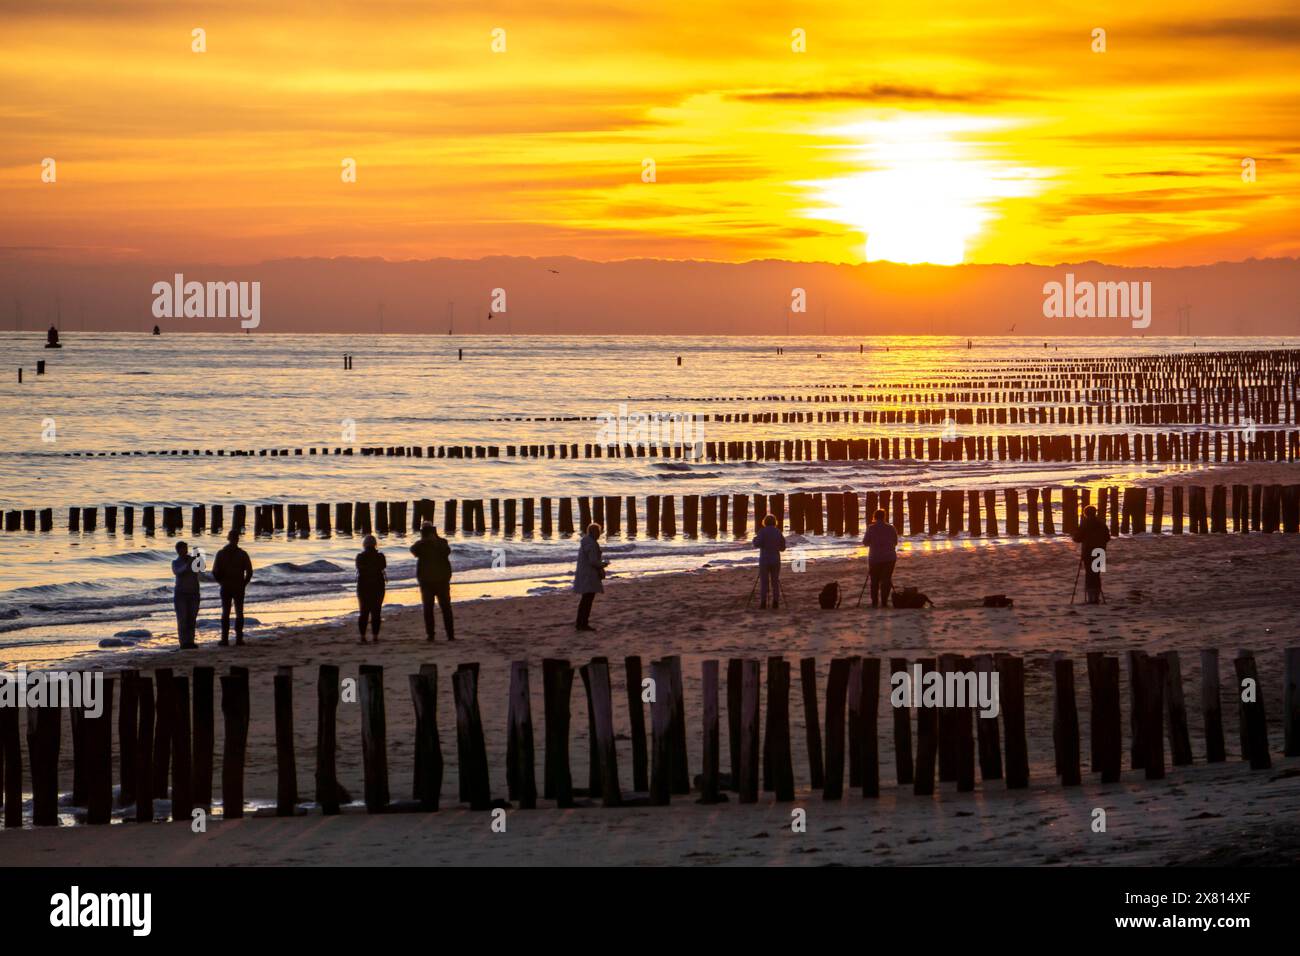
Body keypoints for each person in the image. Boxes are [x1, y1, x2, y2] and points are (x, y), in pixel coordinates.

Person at [410, 522, 455, 642]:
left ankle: (448, 634)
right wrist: (425, 540)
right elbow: (413, 550)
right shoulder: (424, 544)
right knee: (431, 609)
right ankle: (433, 635)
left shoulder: (441, 542)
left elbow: (447, 551)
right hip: (430, 582)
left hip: (438, 581)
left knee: (443, 608)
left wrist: (434, 540)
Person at [211, 530, 253, 646]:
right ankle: (239, 639)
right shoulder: (242, 554)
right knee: (239, 612)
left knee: (226, 612)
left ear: (228, 538)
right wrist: (244, 583)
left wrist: (221, 582)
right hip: (238, 585)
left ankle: (225, 639)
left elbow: (215, 571)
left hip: (226, 585)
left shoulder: (221, 553)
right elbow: (249, 572)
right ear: (237, 539)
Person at [1072, 504, 1111, 604]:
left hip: (1088, 551)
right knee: (1096, 573)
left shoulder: (1085, 524)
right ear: (1095, 513)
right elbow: (1107, 537)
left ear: (1085, 514)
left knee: (1089, 573)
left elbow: (1077, 538)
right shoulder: (1101, 523)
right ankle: (1096, 597)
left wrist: (1074, 535)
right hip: (1100, 550)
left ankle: (1091, 598)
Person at [573, 522, 608, 632]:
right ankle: (583, 624)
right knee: (587, 600)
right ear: (593, 532)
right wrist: (602, 564)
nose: (599, 534)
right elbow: (593, 561)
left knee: (585, 599)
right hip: (589, 575)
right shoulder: (591, 544)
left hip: (585, 573)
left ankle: (580, 623)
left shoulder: (586, 542)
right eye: (598, 532)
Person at [862, 509, 899, 608]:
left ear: (874, 517)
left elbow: (865, 542)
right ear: (884, 517)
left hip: (875, 558)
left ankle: (874, 602)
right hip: (889, 557)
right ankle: (884, 602)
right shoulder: (891, 528)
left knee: (874, 581)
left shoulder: (871, 528)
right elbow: (895, 542)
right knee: (886, 580)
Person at [355, 535, 386, 643]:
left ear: (364, 545)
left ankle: (363, 637)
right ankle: (375, 637)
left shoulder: (360, 557)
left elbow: (359, 568)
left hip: (363, 587)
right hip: (378, 586)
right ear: (375, 544)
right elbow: (383, 566)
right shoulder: (380, 556)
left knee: (364, 612)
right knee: (376, 612)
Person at [751, 513, 786, 609]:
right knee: (775, 581)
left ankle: (763, 603)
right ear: (775, 522)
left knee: (764, 582)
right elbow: (783, 548)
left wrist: (754, 540)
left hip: (764, 560)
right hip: (775, 559)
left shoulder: (762, 531)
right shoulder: (778, 532)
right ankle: (775, 602)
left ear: (765, 522)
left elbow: (757, 544)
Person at [171, 541, 201, 648]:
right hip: (181, 594)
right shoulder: (175, 562)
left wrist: (198, 557)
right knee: (182, 619)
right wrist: (188, 564)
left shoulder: (192, 560)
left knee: (192, 618)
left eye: (186, 548)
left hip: (194, 593)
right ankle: (183, 643)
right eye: (183, 549)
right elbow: (178, 572)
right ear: (178, 551)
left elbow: (201, 568)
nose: (186, 551)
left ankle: (191, 641)